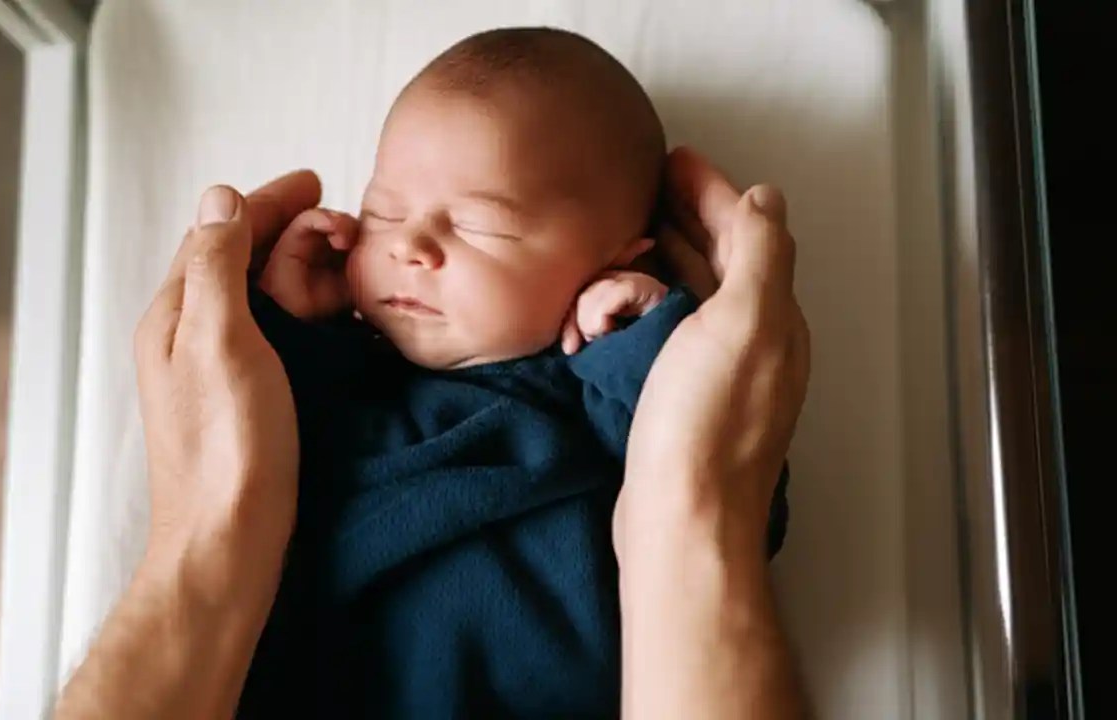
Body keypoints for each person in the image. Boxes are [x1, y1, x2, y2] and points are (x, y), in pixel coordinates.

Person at [55, 144, 810, 718]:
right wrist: (295, 328)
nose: (410, 245)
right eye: (383, 213)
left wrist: (644, 328)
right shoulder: (350, 391)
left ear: (613, 257)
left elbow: (720, 456)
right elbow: (260, 425)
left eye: (480, 224)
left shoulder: (592, 401)